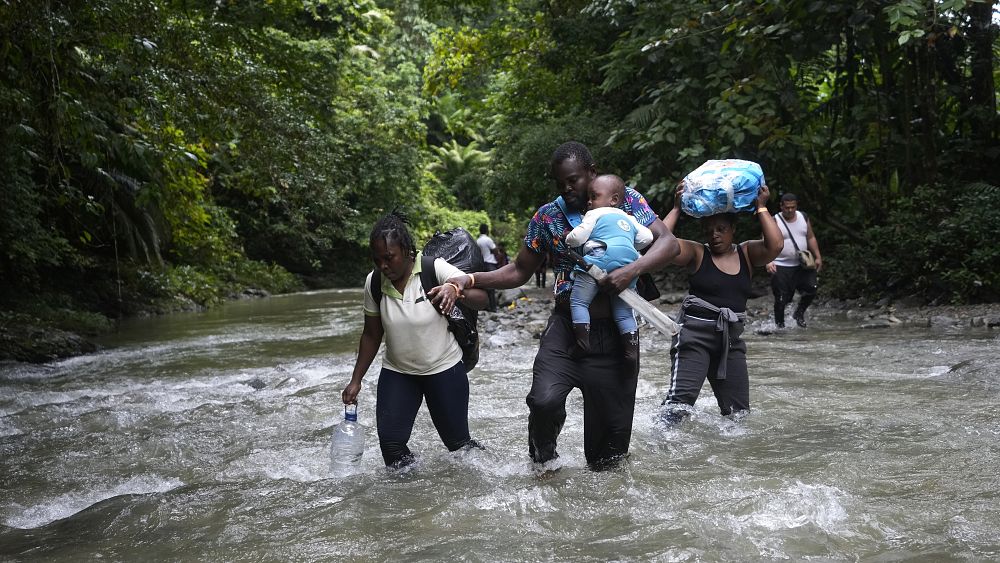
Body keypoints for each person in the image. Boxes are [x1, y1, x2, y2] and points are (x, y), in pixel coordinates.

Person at [443, 141, 679, 471]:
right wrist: (469, 280)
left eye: (574, 180)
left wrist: (631, 271)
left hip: (617, 335)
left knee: (607, 460)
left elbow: (668, 245)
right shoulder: (548, 216)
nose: (567, 188)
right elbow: (518, 271)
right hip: (567, 327)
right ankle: (544, 463)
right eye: (561, 183)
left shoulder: (624, 200)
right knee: (543, 401)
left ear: (592, 173)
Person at [341, 210, 489, 469]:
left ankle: (491, 471)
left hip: (443, 369)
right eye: (377, 260)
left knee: (457, 444)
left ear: (408, 251)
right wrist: (356, 380)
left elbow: (484, 298)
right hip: (398, 372)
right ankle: (411, 497)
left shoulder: (434, 268)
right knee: (391, 446)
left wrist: (456, 290)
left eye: (389, 258)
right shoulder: (375, 282)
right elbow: (372, 334)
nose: (383, 266)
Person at [659, 182, 783, 424]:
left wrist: (761, 207)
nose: (714, 235)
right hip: (694, 337)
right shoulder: (697, 253)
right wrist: (676, 208)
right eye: (709, 230)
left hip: (730, 341)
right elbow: (661, 245)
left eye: (721, 229)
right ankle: (659, 444)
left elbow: (776, 245)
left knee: (739, 414)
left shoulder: (747, 253)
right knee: (678, 407)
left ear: (733, 230)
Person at [565, 174, 653, 377]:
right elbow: (647, 237)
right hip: (628, 266)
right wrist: (629, 243)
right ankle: (631, 352)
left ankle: (582, 342)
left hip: (600, 258)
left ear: (613, 200)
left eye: (594, 196)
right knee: (623, 313)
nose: (589, 201)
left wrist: (568, 239)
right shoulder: (629, 218)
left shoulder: (594, 214)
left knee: (579, 302)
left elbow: (578, 237)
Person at [766, 193, 822, 328]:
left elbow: (810, 237)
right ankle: (780, 326)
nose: (790, 210)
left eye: (793, 207)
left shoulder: (803, 217)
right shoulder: (774, 220)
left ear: (796, 205)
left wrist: (818, 256)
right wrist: (768, 261)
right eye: (787, 208)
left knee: (811, 289)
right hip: (780, 265)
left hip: (802, 264)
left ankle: (799, 313)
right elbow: (765, 242)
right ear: (781, 206)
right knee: (781, 298)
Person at [477, 224, 502, 311]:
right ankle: (493, 307)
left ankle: (485, 306)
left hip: (482, 264)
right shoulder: (488, 240)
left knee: (484, 286)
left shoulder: (478, 241)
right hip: (490, 263)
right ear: (487, 230)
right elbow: (495, 251)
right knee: (492, 286)